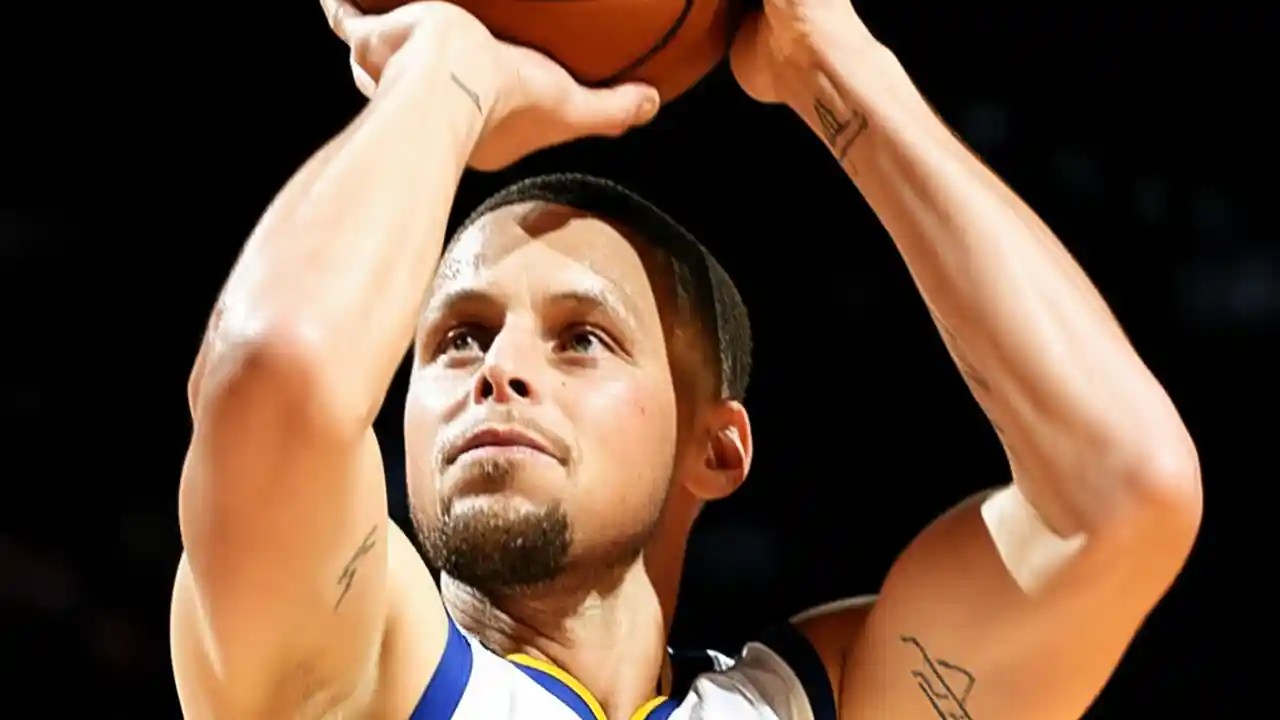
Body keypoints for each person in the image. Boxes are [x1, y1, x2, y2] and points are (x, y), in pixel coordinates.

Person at [169, 0, 1204, 716]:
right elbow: (270, 379)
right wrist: (446, 77)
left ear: (716, 447)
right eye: (456, 339)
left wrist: (833, 64)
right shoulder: (345, 669)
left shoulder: (813, 707)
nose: (498, 370)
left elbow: (1124, 492)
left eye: (582, 340)